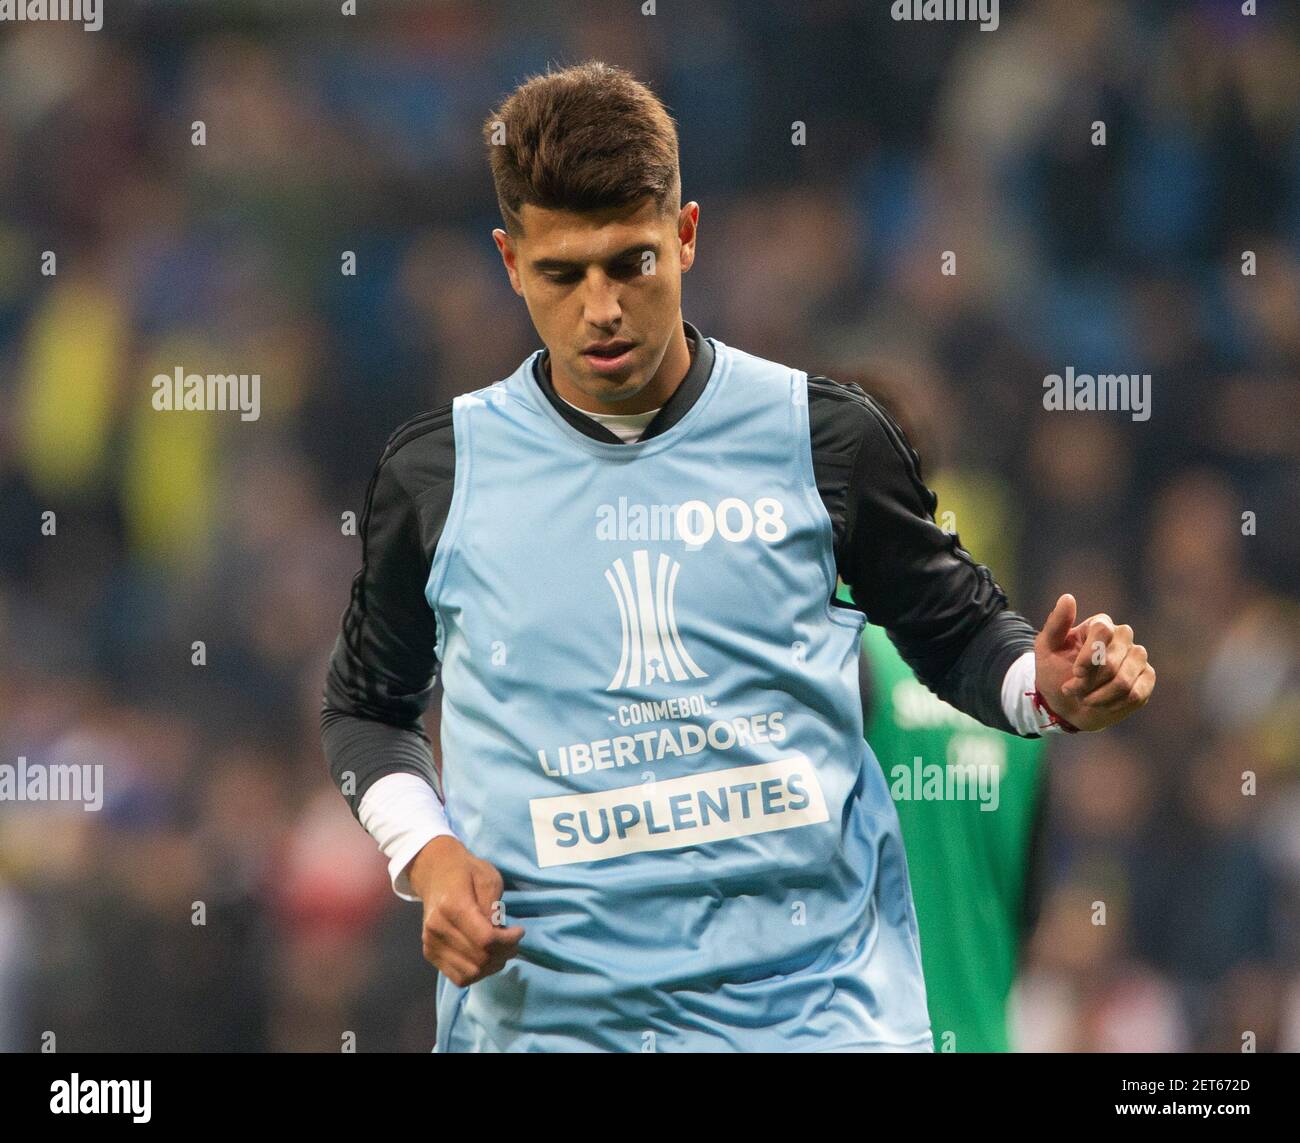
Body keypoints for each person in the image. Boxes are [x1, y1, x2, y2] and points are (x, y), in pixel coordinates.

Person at [320, 61, 1155, 1052]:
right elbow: (368, 709)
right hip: (552, 1027)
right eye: (561, 273)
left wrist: (1041, 683)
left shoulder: (824, 439)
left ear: (684, 236)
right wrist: (428, 852)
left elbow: (960, 630)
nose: (600, 309)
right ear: (510, 261)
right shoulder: (437, 474)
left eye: (630, 262)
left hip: (811, 1021)